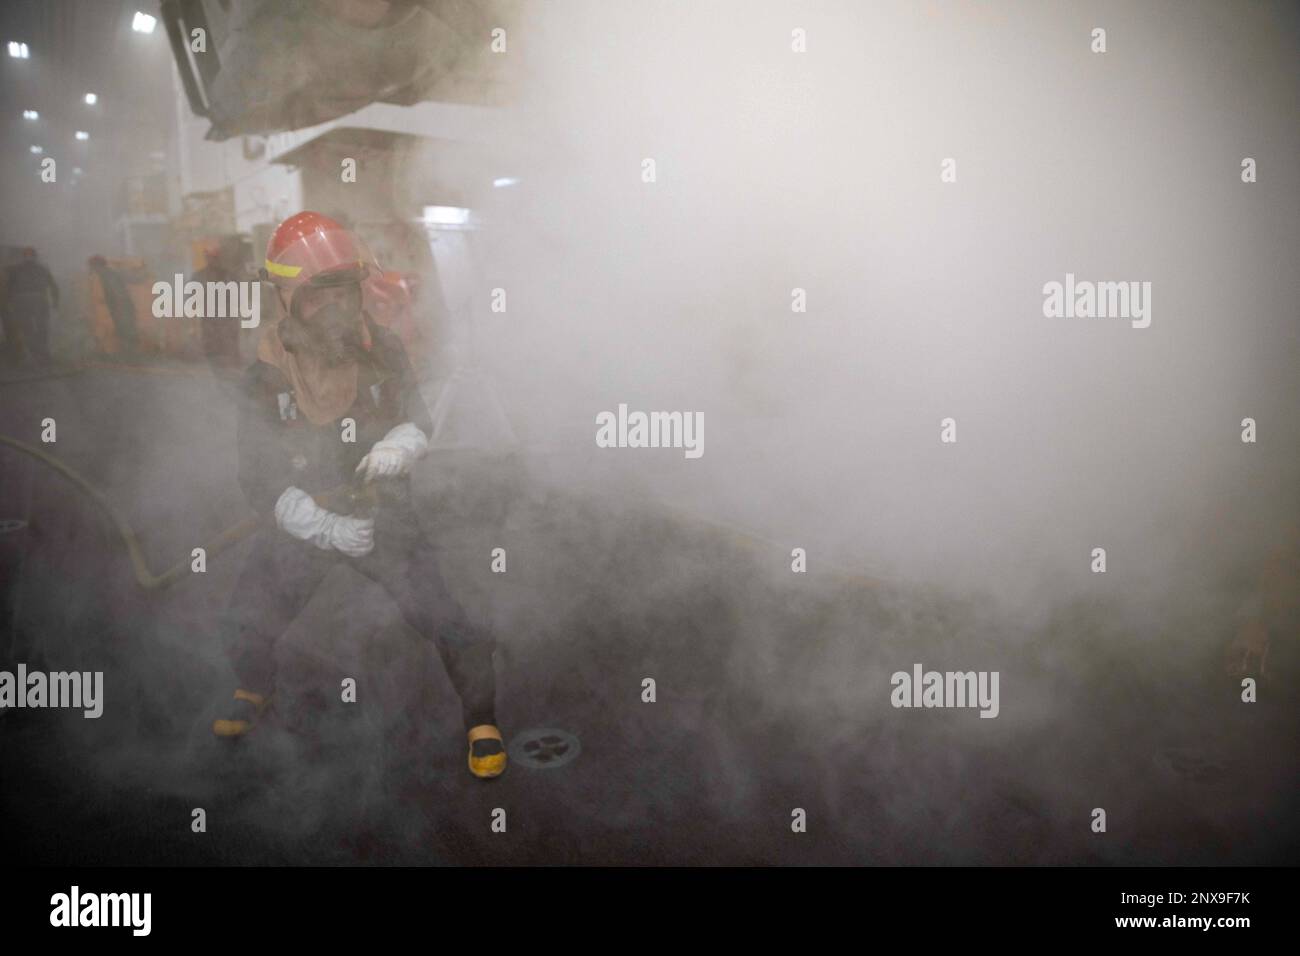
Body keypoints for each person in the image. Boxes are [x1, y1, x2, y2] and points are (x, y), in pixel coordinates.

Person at [212, 211, 506, 779]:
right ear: (290, 298)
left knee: (445, 616)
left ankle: (481, 718)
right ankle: (254, 687)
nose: (338, 309)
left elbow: (417, 417)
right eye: (320, 297)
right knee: (245, 620)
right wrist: (315, 523)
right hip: (305, 521)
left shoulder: (383, 347)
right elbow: (257, 476)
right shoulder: (266, 375)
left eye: (345, 293)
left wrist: (403, 441)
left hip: (380, 514)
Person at [192, 236, 246, 368]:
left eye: (214, 256)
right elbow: (193, 303)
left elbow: (240, 300)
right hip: (211, 326)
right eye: (210, 256)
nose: (212, 260)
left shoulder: (229, 276)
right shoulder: (199, 277)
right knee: (215, 360)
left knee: (229, 360)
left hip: (226, 325)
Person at [2, 247, 59, 364]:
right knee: (39, 328)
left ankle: (37, 354)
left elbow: (8, 287)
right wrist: (55, 301)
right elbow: (53, 286)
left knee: (29, 329)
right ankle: (41, 354)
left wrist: (8, 302)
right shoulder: (42, 269)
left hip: (23, 302)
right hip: (37, 301)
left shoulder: (14, 269)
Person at [88, 255, 138, 356]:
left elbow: (117, 292)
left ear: (98, 266)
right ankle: (128, 352)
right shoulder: (106, 274)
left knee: (126, 329)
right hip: (120, 306)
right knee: (123, 328)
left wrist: (117, 306)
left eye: (93, 266)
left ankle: (131, 353)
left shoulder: (107, 275)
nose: (92, 269)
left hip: (122, 306)